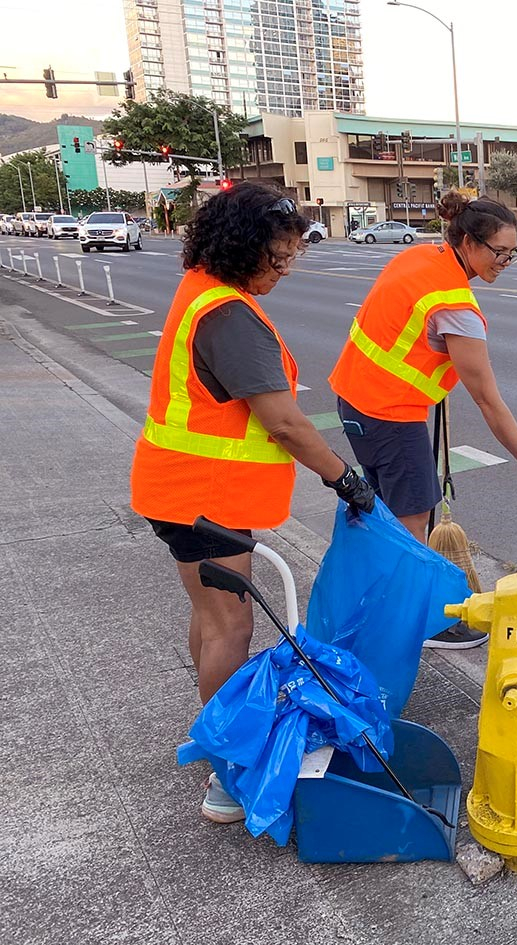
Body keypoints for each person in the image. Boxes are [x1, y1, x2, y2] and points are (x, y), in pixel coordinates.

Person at [130, 182, 376, 823]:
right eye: (279, 256)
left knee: (212, 620)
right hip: (202, 498)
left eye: (292, 256)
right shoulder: (228, 316)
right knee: (232, 627)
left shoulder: (205, 290)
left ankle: (214, 732)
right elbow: (285, 423)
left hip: (180, 491)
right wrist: (343, 478)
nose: (285, 269)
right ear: (244, 248)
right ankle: (229, 773)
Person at [328, 191, 517, 649]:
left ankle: (372, 611)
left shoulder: (420, 257)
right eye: (499, 252)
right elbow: (489, 401)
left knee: (384, 519)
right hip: (391, 417)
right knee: (410, 533)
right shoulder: (456, 307)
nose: (506, 261)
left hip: (353, 402)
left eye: (513, 253)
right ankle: (408, 630)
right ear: (469, 241)